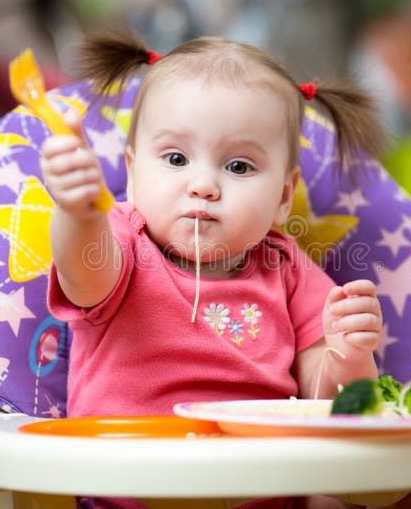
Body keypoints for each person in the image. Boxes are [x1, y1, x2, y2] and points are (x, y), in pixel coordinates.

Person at [42, 29, 387, 509]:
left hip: (265, 493)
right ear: (133, 172)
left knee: (353, 494)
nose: (203, 184)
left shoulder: (285, 266)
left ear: (283, 196)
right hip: (135, 492)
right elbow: (83, 272)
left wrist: (348, 356)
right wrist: (80, 211)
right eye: (176, 158)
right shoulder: (121, 240)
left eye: (239, 167)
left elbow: (323, 400)